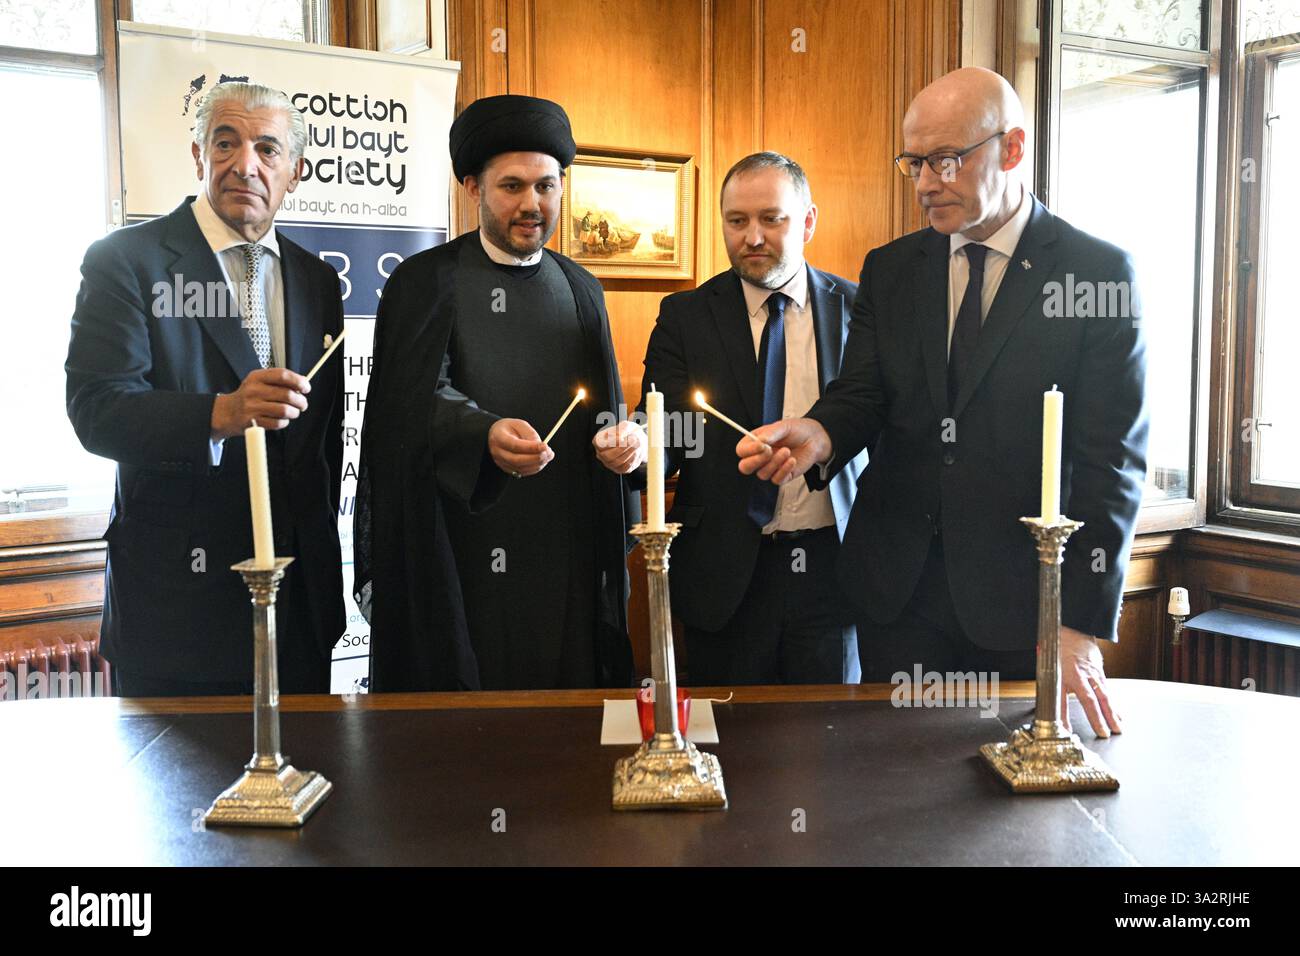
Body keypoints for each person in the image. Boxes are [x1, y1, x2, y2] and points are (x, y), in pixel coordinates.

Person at [737, 68, 1148, 737]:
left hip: (1023, 603)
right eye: (914, 163)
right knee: (892, 805)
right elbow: (865, 393)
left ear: (1011, 149)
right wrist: (820, 433)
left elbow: (1114, 463)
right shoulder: (892, 269)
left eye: (945, 161)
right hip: (894, 593)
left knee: (1008, 824)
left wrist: (1076, 621)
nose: (926, 183)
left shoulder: (1096, 275)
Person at [66, 82, 346, 696]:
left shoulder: (318, 279)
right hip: (176, 612)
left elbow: (322, 448)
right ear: (198, 156)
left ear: (295, 171)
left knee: (312, 790)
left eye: (268, 149)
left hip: (299, 611)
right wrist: (221, 413)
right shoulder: (126, 261)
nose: (245, 163)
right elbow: (97, 410)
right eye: (226, 142)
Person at [354, 94, 639, 692]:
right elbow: (404, 408)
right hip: (458, 551)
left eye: (546, 186)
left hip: (566, 553)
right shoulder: (423, 282)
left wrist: (624, 442)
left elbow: (605, 411)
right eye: (512, 186)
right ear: (471, 188)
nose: (532, 204)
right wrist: (481, 433)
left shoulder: (581, 287)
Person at [595, 152, 866, 684]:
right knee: (726, 747)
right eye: (737, 221)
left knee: (832, 746)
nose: (753, 237)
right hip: (724, 574)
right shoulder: (687, 315)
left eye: (772, 218)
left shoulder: (859, 309)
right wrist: (639, 442)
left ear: (808, 220)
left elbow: (877, 423)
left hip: (834, 570)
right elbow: (668, 422)